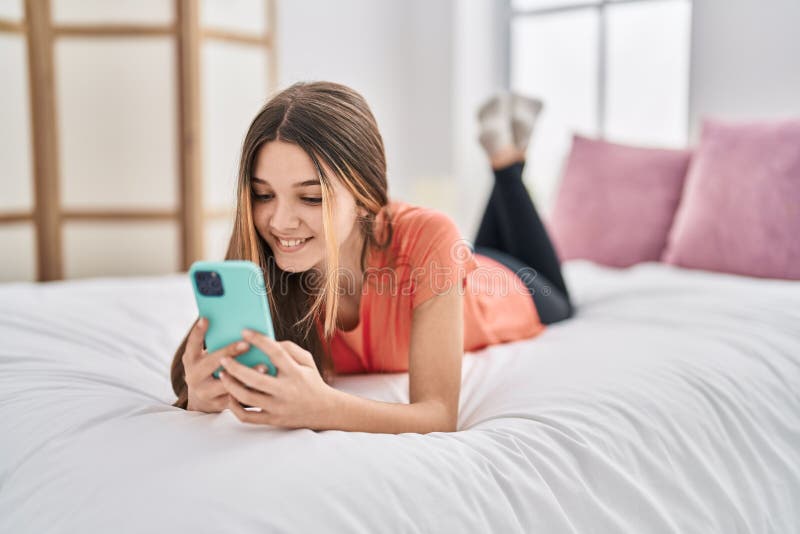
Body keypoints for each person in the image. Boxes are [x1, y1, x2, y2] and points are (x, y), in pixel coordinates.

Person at [170, 81, 573, 434]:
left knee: (562, 298)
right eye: (263, 194)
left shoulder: (430, 235)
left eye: (311, 197)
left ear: (366, 199)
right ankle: (507, 153)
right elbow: (196, 386)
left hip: (509, 288)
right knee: (473, 243)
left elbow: (438, 415)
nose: (279, 221)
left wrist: (324, 407)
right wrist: (202, 397)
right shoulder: (268, 270)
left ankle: (505, 163)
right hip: (452, 261)